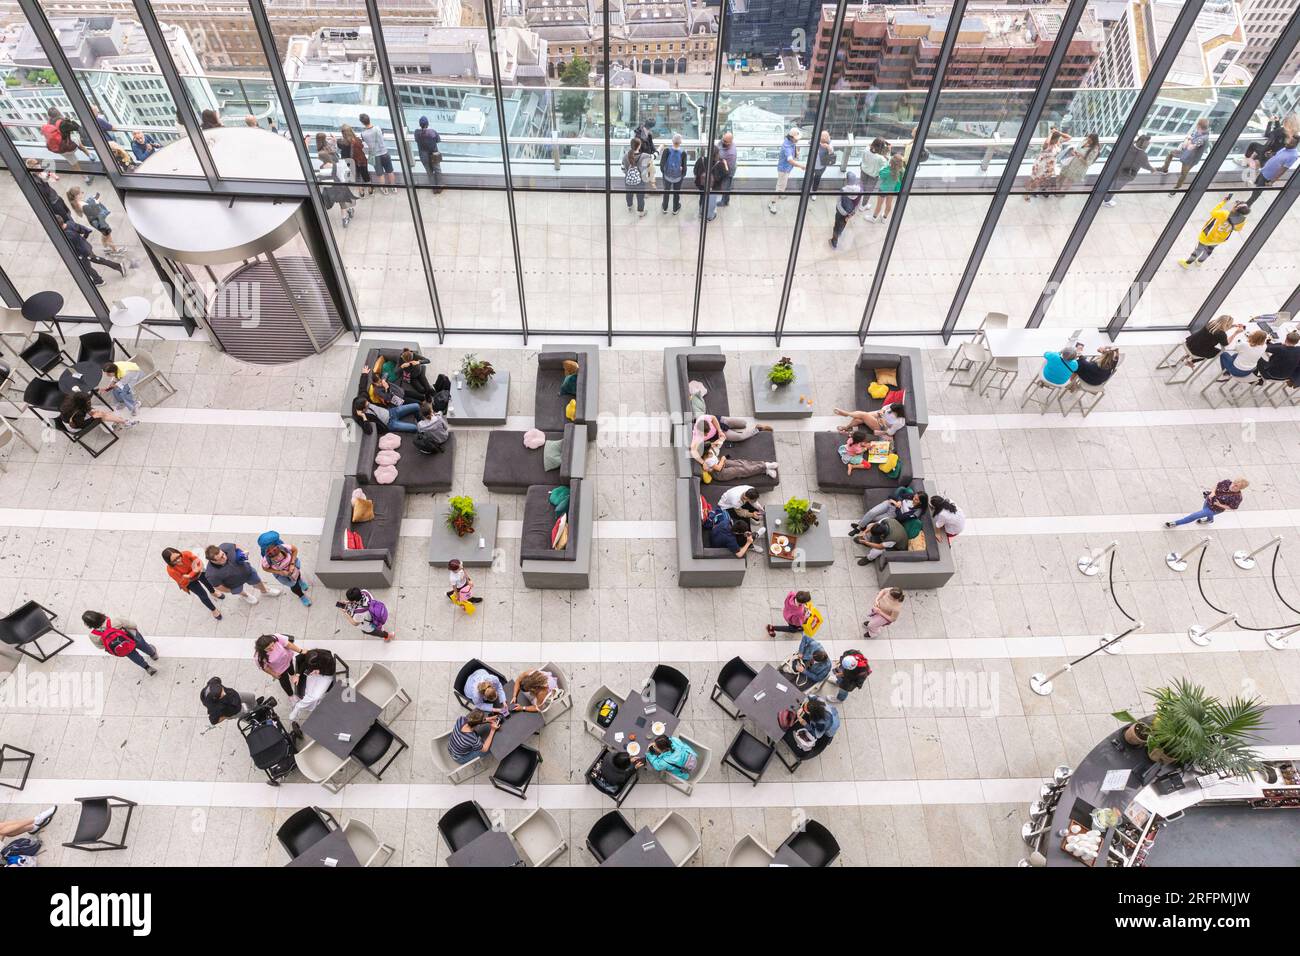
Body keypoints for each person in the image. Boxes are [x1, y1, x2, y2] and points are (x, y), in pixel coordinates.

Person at [1178, 196, 1249, 267]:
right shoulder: (1242, 221)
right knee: (1209, 250)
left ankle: (1187, 263)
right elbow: (1237, 229)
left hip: (1208, 236)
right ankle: (1200, 261)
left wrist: (1223, 202)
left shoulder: (1224, 214)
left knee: (1198, 249)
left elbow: (1213, 212)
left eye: (1235, 204)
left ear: (1235, 208)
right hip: (1220, 239)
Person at [83, 610, 158, 676]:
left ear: (89, 624)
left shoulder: (93, 635)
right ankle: (153, 655)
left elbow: (100, 647)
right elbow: (132, 625)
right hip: (132, 638)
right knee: (144, 646)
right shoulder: (113, 620)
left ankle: (148, 668)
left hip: (122, 646)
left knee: (134, 657)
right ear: (98, 615)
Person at [204, 542, 280, 605]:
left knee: (257, 581)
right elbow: (218, 587)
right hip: (234, 584)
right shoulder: (211, 574)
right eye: (220, 558)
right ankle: (245, 596)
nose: (224, 557)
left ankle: (264, 591)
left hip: (247, 571)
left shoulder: (225, 546)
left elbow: (235, 545)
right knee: (239, 591)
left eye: (223, 554)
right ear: (213, 561)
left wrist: (243, 552)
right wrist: (230, 590)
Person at [59, 215, 125, 285]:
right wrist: (83, 239)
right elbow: (86, 230)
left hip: (83, 253)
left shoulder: (67, 235)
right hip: (86, 247)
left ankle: (99, 280)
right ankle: (115, 269)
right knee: (96, 260)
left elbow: (72, 248)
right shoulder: (70, 223)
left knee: (87, 267)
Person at [164, 547, 223, 620]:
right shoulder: (171, 570)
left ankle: (213, 591)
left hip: (197, 572)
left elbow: (199, 562)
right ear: (169, 562)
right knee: (202, 594)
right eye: (174, 560)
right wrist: (194, 571)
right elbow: (183, 580)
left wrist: (190, 574)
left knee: (207, 582)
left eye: (178, 556)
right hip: (189, 582)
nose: (179, 560)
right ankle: (213, 610)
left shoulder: (186, 554)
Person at [1164, 477, 1248, 528]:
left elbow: (1233, 507)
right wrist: (1213, 492)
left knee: (1194, 516)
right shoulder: (1227, 482)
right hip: (1208, 500)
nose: (1233, 485)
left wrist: (1220, 505)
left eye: (1236, 486)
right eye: (1234, 483)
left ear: (1241, 488)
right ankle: (1210, 520)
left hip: (1215, 509)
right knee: (1205, 511)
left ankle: (1175, 523)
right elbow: (1217, 485)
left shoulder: (1237, 497)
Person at [258, 532, 312, 606]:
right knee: (294, 586)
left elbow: (295, 550)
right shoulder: (266, 560)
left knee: (298, 575)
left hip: (293, 567)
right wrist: (280, 572)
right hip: (283, 575)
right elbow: (265, 568)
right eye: (268, 551)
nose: (272, 552)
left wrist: (292, 564)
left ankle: (300, 581)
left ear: (277, 545)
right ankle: (301, 596)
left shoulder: (284, 547)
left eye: (273, 548)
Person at [698, 434, 778, 482]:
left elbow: (715, 443)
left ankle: (765, 466)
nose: (712, 445)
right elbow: (718, 468)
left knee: (741, 463)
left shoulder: (708, 448)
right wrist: (722, 459)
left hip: (721, 462)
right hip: (719, 473)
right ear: (706, 451)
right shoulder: (707, 460)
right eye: (710, 446)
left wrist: (721, 438)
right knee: (740, 470)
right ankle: (765, 468)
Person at [1102, 134, 1154, 206]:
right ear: (1143, 144)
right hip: (1125, 175)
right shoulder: (1143, 155)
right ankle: (1106, 201)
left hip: (1116, 169)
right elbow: (1146, 166)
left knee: (1109, 183)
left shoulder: (1129, 145)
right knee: (1115, 188)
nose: (1148, 145)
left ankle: (1101, 194)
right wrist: (1153, 169)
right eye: (1147, 144)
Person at [853, 486, 927, 535]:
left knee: (874, 518)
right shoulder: (912, 496)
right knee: (872, 512)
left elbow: (900, 517)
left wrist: (897, 506)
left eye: (916, 499)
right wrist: (898, 501)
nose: (914, 498)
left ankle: (862, 526)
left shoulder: (916, 512)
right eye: (915, 496)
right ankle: (859, 527)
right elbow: (895, 496)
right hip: (889, 504)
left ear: (920, 502)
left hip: (893, 514)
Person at [1160, 119, 1209, 192]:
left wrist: (1188, 140)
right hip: (1184, 153)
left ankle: (1177, 187)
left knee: (1183, 174)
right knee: (1170, 153)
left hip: (1190, 159)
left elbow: (1189, 147)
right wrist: (1188, 140)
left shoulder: (1203, 139)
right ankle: (1165, 169)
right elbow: (1185, 145)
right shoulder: (1197, 132)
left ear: (1198, 126)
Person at [67, 186, 119, 253]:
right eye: (81, 193)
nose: (82, 193)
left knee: (106, 233)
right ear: (77, 195)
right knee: (108, 234)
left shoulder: (78, 203)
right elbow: (94, 212)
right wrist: (96, 202)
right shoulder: (81, 205)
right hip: (97, 222)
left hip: (95, 220)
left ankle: (105, 244)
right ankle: (115, 249)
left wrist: (93, 201)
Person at [1248, 134, 1298, 204]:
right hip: (1264, 170)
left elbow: (1283, 170)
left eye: (1291, 142)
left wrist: (1272, 181)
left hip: (1268, 176)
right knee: (1256, 185)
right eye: (1289, 140)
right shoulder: (1286, 148)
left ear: (1296, 144)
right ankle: (1249, 200)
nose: (1288, 142)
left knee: (1256, 193)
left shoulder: (1293, 156)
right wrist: (1269, 155)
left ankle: (1247, 204)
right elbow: (1276, 155)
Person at [768, 127, 804, 214]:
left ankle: (781, 193)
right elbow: (790, 160)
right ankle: (772, 203)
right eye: (796, 139)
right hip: (784, 170)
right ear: (791, 137)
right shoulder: (787, 146)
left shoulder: (791, 142)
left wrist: (796, 153)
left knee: (782, 185)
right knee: (780, 187)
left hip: (787, 168)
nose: (797, 141)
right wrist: (801, 166)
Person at [1025, 129, 1069, 199]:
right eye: (1056, 139)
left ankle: (1030, 191)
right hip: (1042, 164)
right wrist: (1051, 133)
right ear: (1052, 138)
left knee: (1039, 179)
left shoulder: (1057, 143)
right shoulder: (1047, 145)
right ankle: (1028, 192)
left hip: (1049, 166)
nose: (1058, 140)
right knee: (1036, 179)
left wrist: (1059, 133)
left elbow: (1069, 137)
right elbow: (1046, 143)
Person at [59, 391, 132, 433]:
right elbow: (82, 425)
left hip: (75, 419)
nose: (89, 402)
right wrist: (93, 417)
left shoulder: (72, 402)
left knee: (99, 413)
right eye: (88, 402)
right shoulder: (78, 413)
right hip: (74, 426)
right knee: (100, 417)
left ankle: (123, 422)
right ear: (81, 403)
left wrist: (91, 410)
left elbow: (85, 409)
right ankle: (124, 422)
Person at [359, 113, 394, 193]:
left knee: (380, 174)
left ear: (362, 122)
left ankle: (385, 190)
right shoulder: (378, 128)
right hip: (385, 152)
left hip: (375, 155)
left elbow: (364, 141)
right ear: (369, 119)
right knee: (390, 171)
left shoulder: (363, 134)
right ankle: (393, 187)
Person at [834, 402, 905, 438]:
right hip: (879, 415)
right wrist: (882, 411)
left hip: (882, 426)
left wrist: (884, 424)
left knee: (863, 415)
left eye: (892, 412)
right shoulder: (894, 406)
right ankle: (847, 427)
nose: (890, 411)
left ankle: (847, 414)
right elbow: (885, 407)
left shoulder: (900, 422)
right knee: (859, 419)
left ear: (898, 413)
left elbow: (890, 433)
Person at [830, 169, 862, 249]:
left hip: (841, 212)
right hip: (850, 212)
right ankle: (840, 232)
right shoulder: (860, 190)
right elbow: (858, 204)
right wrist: (850, 214)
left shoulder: (843, 190)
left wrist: (843, 213)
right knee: (844, 222)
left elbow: (838, 203)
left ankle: (834, 242)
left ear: (847, 180)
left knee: (836, 226)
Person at [695, 144, 726, 221]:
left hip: (702, 185)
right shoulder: (720, 164)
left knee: (702, 197)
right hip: (713, 187)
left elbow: (695, 171)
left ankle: (701, 213)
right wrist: (725, 165)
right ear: (717, 154)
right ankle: (709, 216)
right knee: (711, 200)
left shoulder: (701, 160)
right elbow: (723, 176)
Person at [621, 136, 651, 216]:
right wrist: (660, 149)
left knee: (629, 194)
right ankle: (641, 212)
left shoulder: (625, 156)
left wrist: (629, 174)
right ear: (639, 146)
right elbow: (654, 157)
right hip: (640, 181)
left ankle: (630, 206)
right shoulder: (645, 156)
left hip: (628, 180)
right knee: (640, 197)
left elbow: (622, 168)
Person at [871, 152, 903, 222]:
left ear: (891, 162)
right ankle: (884, 218)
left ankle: (874, 218)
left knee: (879, 205)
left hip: (883, 189)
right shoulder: (902, 170)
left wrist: (887, 165)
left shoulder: (888, 171)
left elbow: (881, 174)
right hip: (893, 190)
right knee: (888, 204)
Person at [659, 133, 686, 214]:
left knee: (666, 192)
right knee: (676, 193)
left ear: (672, 141)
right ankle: (675, 209)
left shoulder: (667, 151)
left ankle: (665, 208)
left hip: (667, 176)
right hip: (678, 177)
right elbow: (684, 167)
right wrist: (682, 175)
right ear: (680, 142)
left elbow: (661, 164)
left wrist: (664, 173)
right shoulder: (683, 153)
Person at [414, 116, 442, 190]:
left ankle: (434, 189)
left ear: (420, 124)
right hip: (434, 155)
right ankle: (439, 187)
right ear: (427, 124)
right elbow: (438, 140)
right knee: (437, 170)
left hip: (423, 156)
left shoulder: (416, 132)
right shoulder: (432, 132)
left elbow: (416, 140)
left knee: (429, 173)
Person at [340, 123, 368, 192]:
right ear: (351, 130)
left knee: (356, 175)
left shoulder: (341, 142)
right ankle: (369, 188)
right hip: (359, 160)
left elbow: (340, 148)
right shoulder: (357, 140)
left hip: (349, 161)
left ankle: (361, 192)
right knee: (364, 173)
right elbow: (362, 147)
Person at [810, 129, 834, 197]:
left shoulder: (829, 143)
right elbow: (810, 142)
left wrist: (827, 147)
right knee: (809, 178)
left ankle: (814, 192)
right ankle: (808, 189)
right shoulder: (816, 140)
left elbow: (831, 153)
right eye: (823, 137)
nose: (826, 138)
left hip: (821, 166)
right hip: (812, 165)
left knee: (817, 179)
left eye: (827, 137)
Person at [716, 131, 737, 206]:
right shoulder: (723, 142)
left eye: (725, 141)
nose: (722, 141)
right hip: (724, 168)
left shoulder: (731, 153)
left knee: (726, 187)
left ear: (730, 142)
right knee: (726, 186)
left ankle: (724, 201)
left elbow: (728, 169)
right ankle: (726, 200)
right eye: (723, 139)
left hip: (728, 172)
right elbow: (719, 145)